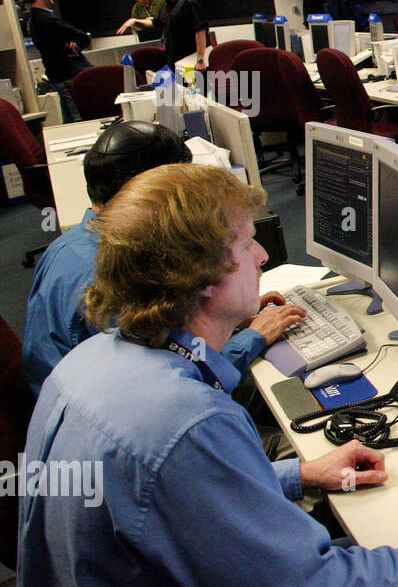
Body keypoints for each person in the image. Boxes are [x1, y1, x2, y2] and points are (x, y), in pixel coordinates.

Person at [16, 164, 398, 587]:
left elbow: (156, 494)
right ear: (202, 278)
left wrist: (296, 474)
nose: (263, 257)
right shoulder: (185, 422)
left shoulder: (88, 365)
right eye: (248, 244)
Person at [21, 120, 305, 398]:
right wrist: (252, 338)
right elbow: (170, 381)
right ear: (153, 193)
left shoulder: (67, 244)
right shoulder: (124, 268)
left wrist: (224, 313)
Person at [22, 0, 91, 122]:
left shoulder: (34, 21)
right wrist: (73, 43)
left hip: (58, 76)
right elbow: (84, 38)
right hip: (68, 75)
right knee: (78, 121)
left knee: (69, 119)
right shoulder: (48, 20)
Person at [115, 0, 208, 71]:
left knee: (195, 86)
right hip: (175, 59)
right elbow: (156, 23)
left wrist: (200, 59)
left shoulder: (188, 1)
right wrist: (135, 21)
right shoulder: (167, 4)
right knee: (180, 87)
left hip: (191, 59)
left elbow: (200, 30)